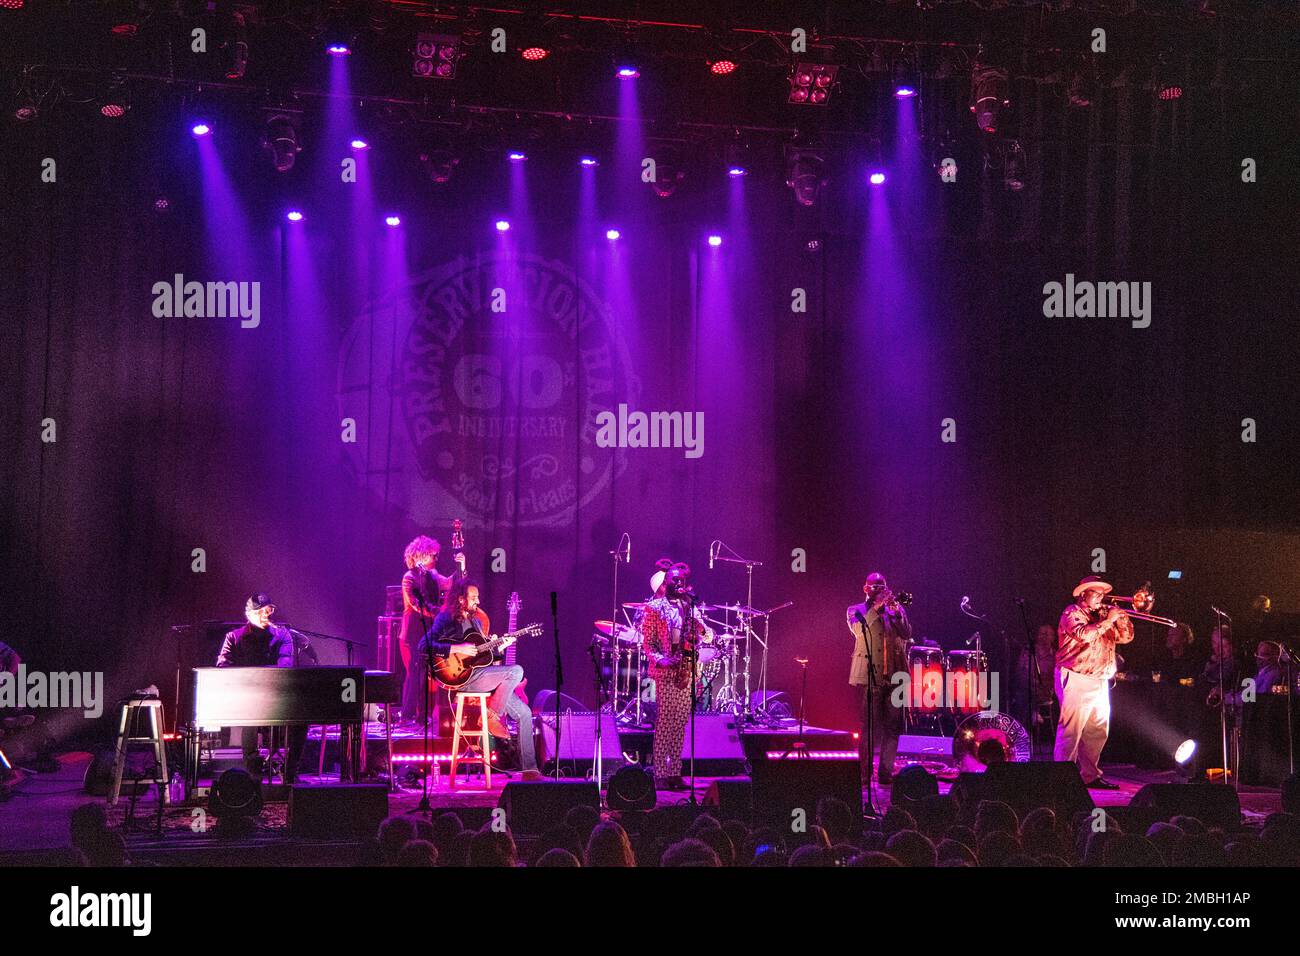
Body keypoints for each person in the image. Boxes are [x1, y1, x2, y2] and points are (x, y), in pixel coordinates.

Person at [421, 578, 540, 780]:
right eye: (473, 597)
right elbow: (424, 646)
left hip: (480, 675)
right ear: (460, 599)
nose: (477, 600)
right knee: (515, 671)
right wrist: (456, 648)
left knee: (525, 714)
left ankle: (529, 771)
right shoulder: (446, 618)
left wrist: (500, 646)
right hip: (462, 678)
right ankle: (493, 716)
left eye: (477, 596)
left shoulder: (476, 621)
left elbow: (485, 657)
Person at [215, 593, 308, 783]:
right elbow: (222, 667)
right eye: (262, 611)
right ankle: (252, 770)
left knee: (303, 718)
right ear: (249, 614)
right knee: (250, 713)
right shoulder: (233, 637)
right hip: (247, 697)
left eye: (269, 610)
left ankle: (290, 771)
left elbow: (284, 666)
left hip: (278, 696)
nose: (267, 614)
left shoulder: (283, 635)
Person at [1053, 575, 1134, 789]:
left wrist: (1121, 618)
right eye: (1095, 592)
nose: (1101, 597)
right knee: (1072, 730)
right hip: (1076, 675)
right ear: (1083, 594)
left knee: (1097, 730)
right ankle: (1062, 777)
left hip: (1100, 678)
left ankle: (1090, 775)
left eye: (1102, 593)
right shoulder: (1072, 612)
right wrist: (1108, 620)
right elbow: (1083, 634)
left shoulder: (1104, 614)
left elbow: (1126, 637)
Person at [636, 559, 710, 791]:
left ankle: (675, 772)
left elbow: (705, 636)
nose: (678, 582)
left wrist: (702, 630)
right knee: (666, 723)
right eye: (674, 580)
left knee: (680, 724)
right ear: (665, 582)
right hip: (666, 670)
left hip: (685, 671)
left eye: (682, 580)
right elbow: (648, 644)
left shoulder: (689, 606)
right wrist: (663, 660)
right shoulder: (654, 607)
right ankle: (660, 773)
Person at [846, 572, 913, 785]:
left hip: (895, 675)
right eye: (874, 586)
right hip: (870, 676)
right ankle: (864, 775)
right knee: (869, 727)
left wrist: (897, 614)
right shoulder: (856, 610)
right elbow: (859, 630)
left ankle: (885, 773)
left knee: (893, 728)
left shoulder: (895, 609)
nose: (878, 590)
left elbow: (907, 633)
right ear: (865, 588)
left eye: (882, 586)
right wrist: (876, 608)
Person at [399, 535, 464, 727]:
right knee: (414, 674)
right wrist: (439, 612)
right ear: (422, 555)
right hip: (412, 633)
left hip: (429, 631)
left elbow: (452, 583)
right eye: (433, 555)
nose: (436, 558)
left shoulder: (433, 575)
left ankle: (422, 717)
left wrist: (461, 565)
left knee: (427, 675)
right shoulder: (409, 578)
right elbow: (417, 604)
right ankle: (407, 716)